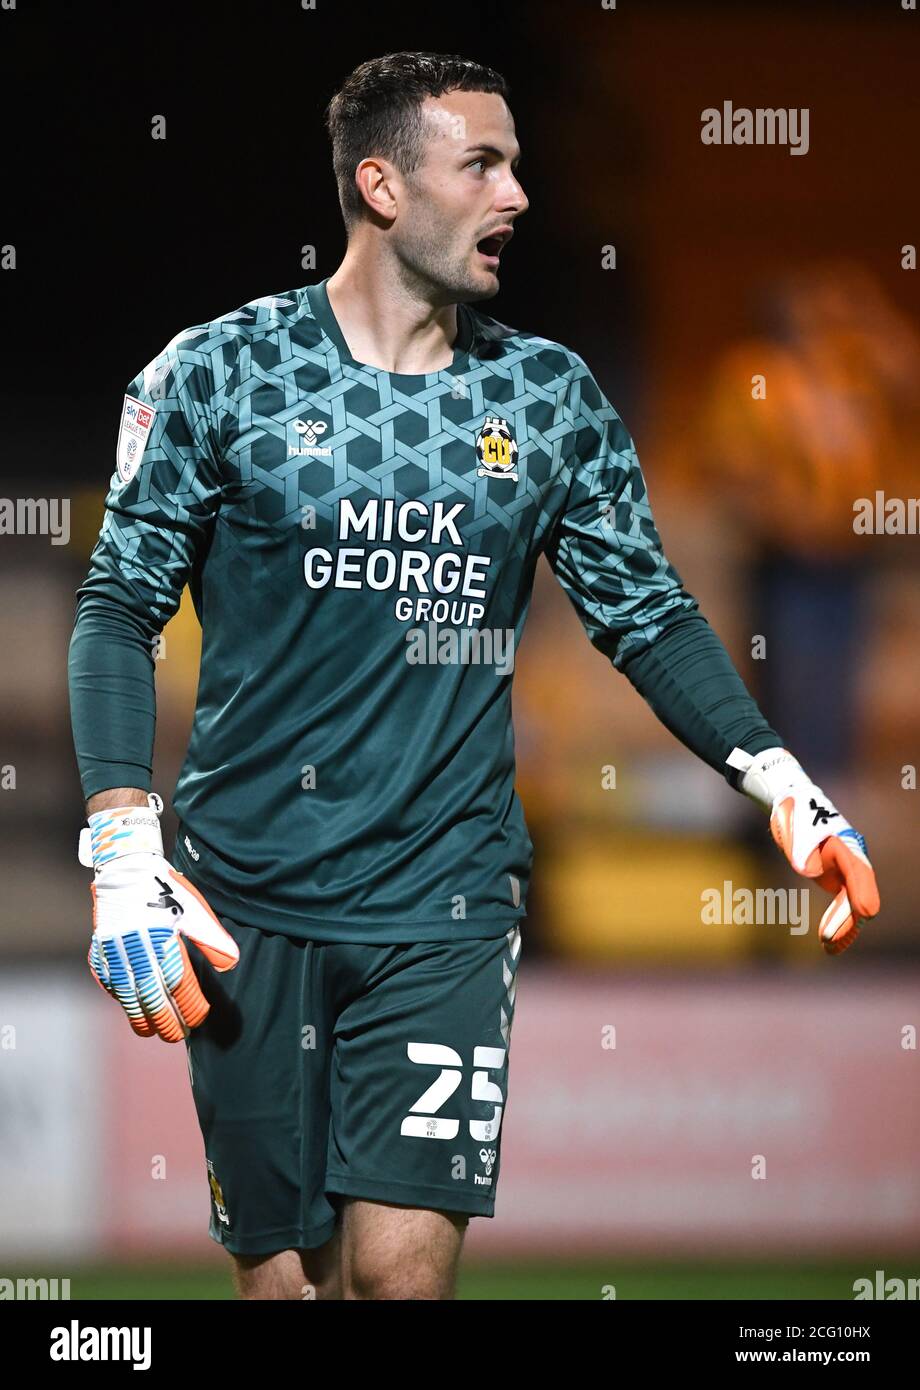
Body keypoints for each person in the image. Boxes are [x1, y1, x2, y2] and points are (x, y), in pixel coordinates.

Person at [68, 51, 879, 1301]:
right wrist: (123, 845)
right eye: (481, 165)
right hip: (243, 902)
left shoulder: (545, 396)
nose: (516, 195)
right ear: (381, 185)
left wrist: (776, 778)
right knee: (292, 1287)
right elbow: (116, 608)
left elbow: (645, 610)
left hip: (443, 900)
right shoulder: (219, 373)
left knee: (399, 1283)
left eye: (515, 163)